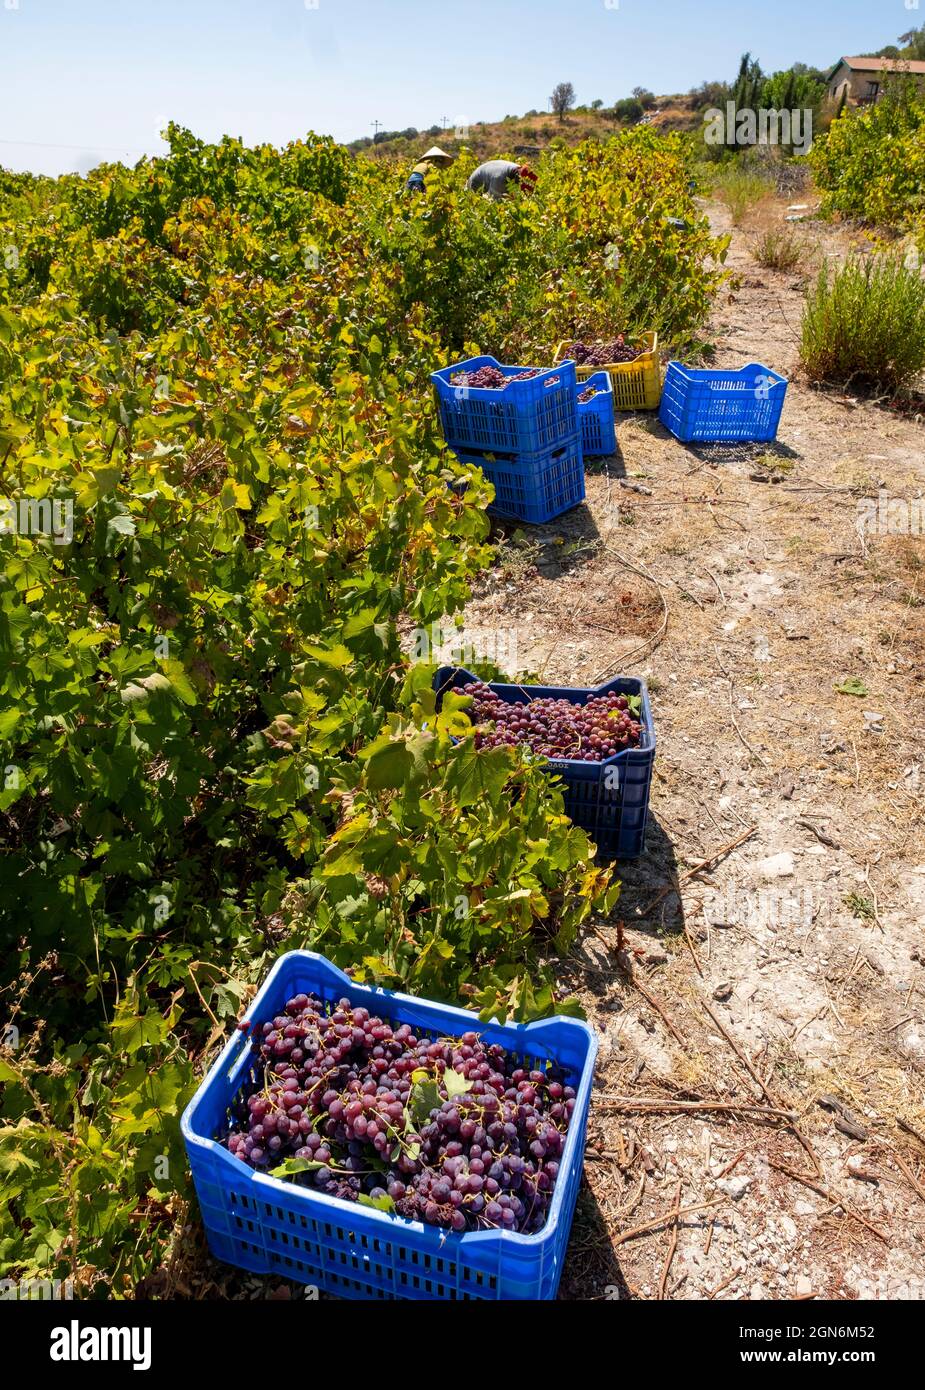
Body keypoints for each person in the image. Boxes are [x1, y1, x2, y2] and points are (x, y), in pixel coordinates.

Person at [466, 160, 537, 201]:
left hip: (489, 174)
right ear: (516, 180)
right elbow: (495, 202)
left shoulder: (519, 170)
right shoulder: (499, 180)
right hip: (474, 183)